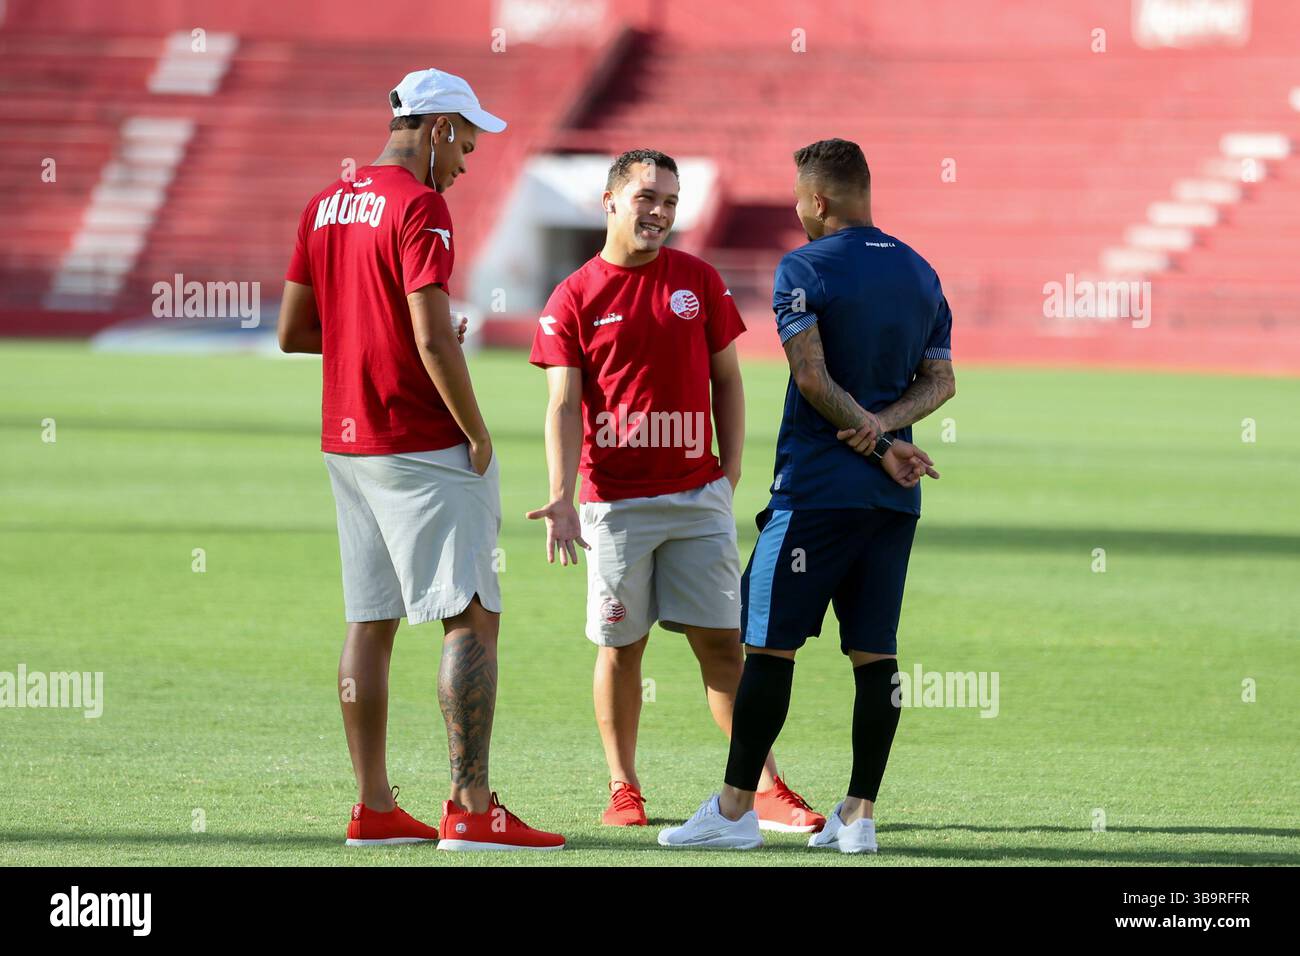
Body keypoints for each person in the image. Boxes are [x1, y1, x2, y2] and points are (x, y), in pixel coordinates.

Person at [278, 68, 563, 851]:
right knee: (470, 612)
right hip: (420, 438)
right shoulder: (419, 205)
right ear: (437, 130)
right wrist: (477, 431)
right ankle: (471, 808)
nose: (467, 162)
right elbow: (434, 337)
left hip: (347, 440)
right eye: (465, 142)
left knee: (370, 621)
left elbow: (295, 334)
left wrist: (383, 339)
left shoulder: (324, 202)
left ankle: (373, 807)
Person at [659, 137, 954, 852]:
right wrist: (889, 435)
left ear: (818, 201)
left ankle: (733, 814)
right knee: (874, 655)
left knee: (767, 647)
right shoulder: (920, 271)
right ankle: (859, 816)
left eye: (799, 197)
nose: (795, 209)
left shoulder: (805, 266)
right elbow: (941, 381)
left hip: (815, 493)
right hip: (893, 502)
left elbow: (813, 380)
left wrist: (876, 442)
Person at [527, 148, 823, 833]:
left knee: (724, 646)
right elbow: (563, 406)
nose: (659, 210)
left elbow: (728, 380)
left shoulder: (697, 282)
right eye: (646, 196)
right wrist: (561, 495)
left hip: (697, 498)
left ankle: (762, 787)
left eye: (669, 200)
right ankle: (623, 786)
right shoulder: (573, 297)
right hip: (614, 505)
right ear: (610, 201)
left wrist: (733, 471)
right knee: (621, 649)